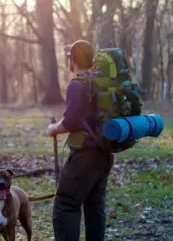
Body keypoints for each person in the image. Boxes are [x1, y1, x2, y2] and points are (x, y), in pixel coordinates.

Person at [47, 40, 114, 241]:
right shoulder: (99, 82)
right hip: (104, 153)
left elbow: (71, 122)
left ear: (73, 60)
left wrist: (53, 129)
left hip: (85, 155)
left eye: (70, 57)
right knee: (94, 206)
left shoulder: (77, 85)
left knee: (66, 204)